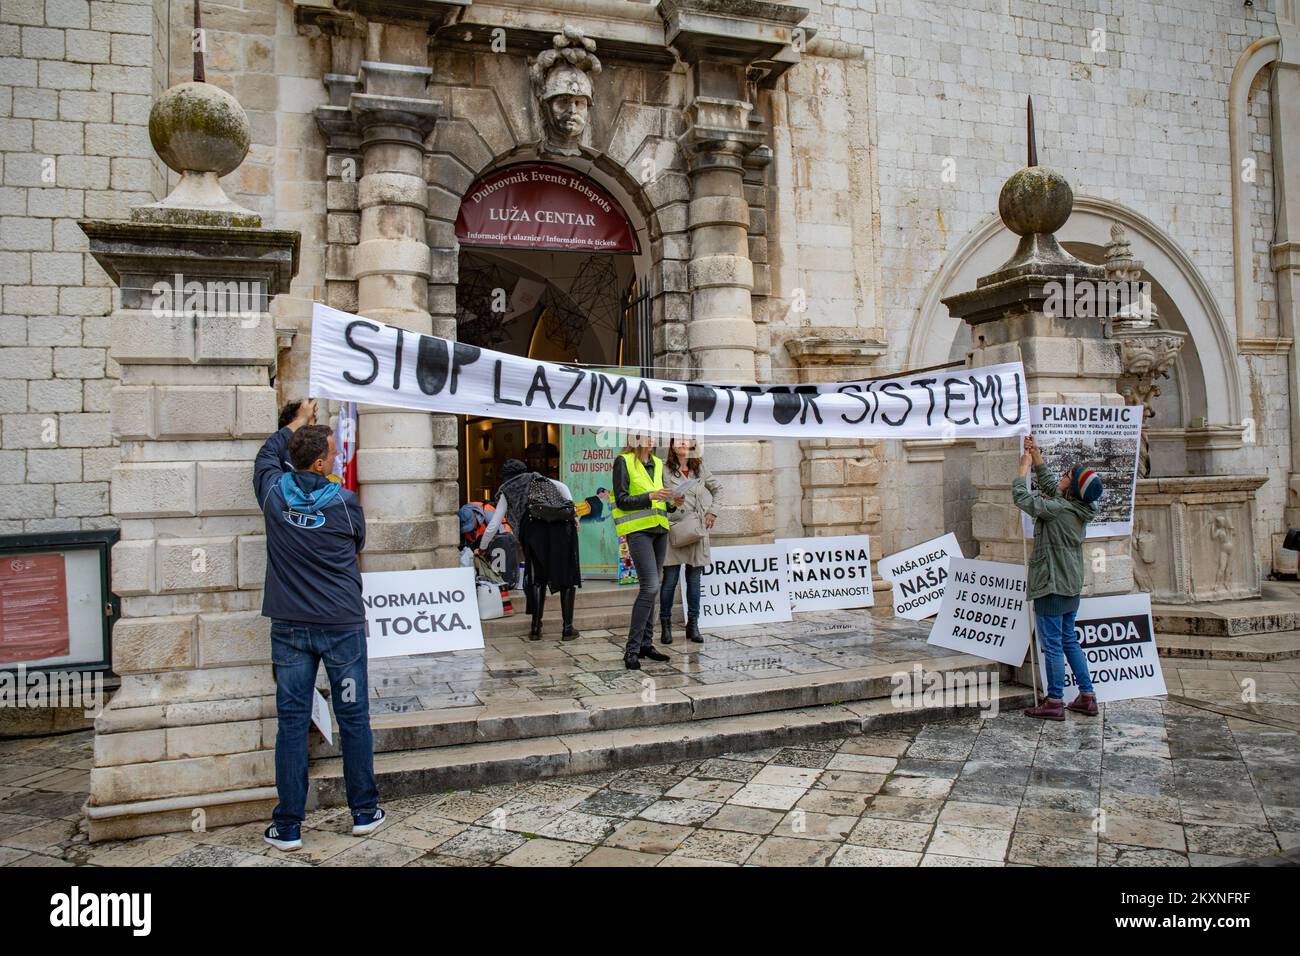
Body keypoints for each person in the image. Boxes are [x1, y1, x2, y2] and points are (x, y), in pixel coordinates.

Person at [254, 398, 383, 851]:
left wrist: (296, 422)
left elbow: (266, 456)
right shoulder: (345, 502)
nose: (338, 457)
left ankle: (288, 825)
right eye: (332, 452)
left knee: (291, 723)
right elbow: (358, 540)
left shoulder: (273, 493)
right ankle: (363, 812)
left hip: (290, 626)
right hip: (341, 625)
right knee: (354, 717)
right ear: (319, 461)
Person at [1012, 434, 1104, 721]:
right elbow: (1053, 486)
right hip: (1071, 583)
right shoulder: (1079, 508)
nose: (1062, 476)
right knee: (1068, 639)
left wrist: (1023, 468)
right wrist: (1037, 454)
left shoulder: (1058, 511)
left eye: (1068, 475)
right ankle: (1087, 695)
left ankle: (1054, 700)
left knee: (1051, 643)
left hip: (1051, 582)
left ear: (1073, 488)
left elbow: (1023, 499)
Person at [483, 458, 581, 641]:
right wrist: (573, 514)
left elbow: (494, 523)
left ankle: (536, 627)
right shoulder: (540, 479)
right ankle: (567, 629)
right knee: (566, 577)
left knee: (537, 578)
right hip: (561, 529)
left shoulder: (507, 489)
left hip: (533, 531)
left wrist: (482, 547)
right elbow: (565, 490)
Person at [611, 434, 682, 670]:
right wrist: (650, 496)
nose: (652, 440)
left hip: (659, 529)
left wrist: (673, 502)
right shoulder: (624, 461)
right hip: (638, 531)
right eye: (647, 436)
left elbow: (662, 500)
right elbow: (621, 500)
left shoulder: (659, 463)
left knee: (654, 586)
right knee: (650, 586)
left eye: (653, 436)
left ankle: (646, 645)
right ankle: (631, 649)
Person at [659, 437, 722, 645]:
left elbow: (718, 489)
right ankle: (665, 625)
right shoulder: (663, 469)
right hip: (674, 529)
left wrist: (712, 512)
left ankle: (693, 625)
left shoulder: (700, 467)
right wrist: (670, 502)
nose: (682, 443)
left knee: (694, 580)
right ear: (671, 445)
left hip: (696, 529)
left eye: (686, 440)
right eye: (677, 440)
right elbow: (658, 497)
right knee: (670, 580)